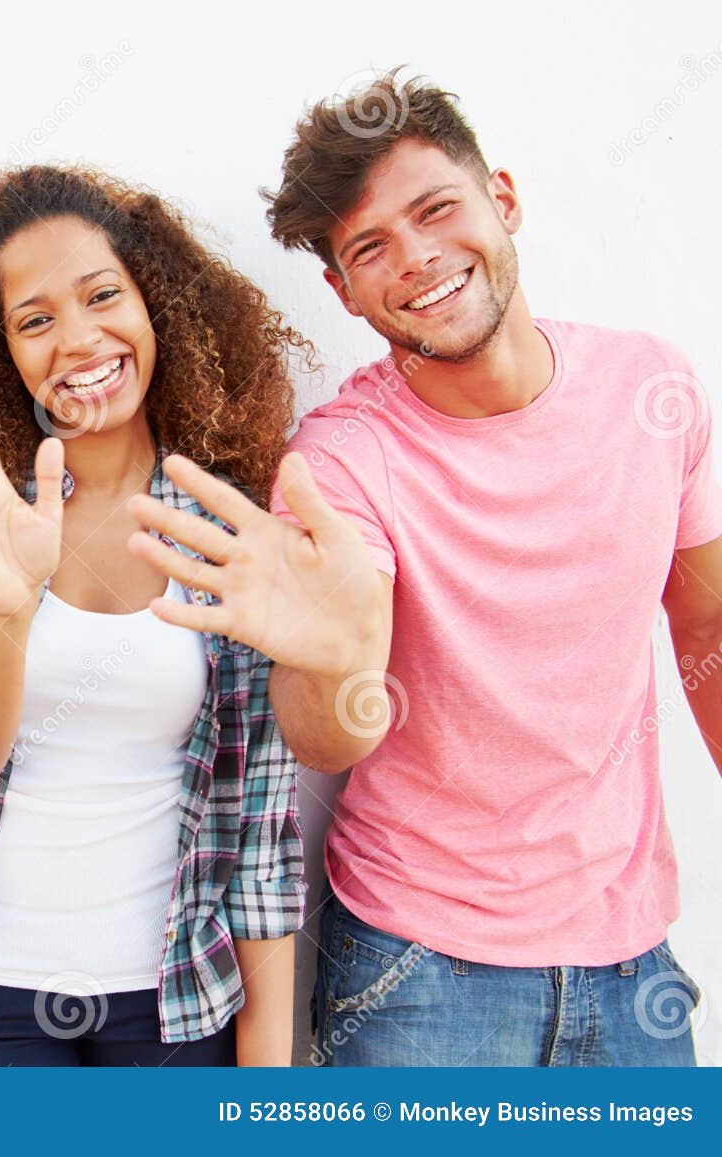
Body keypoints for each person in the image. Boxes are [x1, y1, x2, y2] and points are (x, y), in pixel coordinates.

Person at [129, 69, 715, 1065]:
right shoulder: (343, 458)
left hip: (633, 962)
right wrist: (335, 658)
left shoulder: (651, 388)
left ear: (504, 198)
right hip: (420, 975)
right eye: (370, 248)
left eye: (436, 209)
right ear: (343, 292)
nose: (418, 259)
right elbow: (325, 736)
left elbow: (707, 632)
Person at [0, 165, 307, 1065]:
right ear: (3, 351)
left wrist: (269, 1072)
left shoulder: (230, 520)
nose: (78, 339)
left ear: (160, 308)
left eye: (102, 295)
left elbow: (262, 818)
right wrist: (7, 607)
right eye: (35, 319)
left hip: (177, 1000)